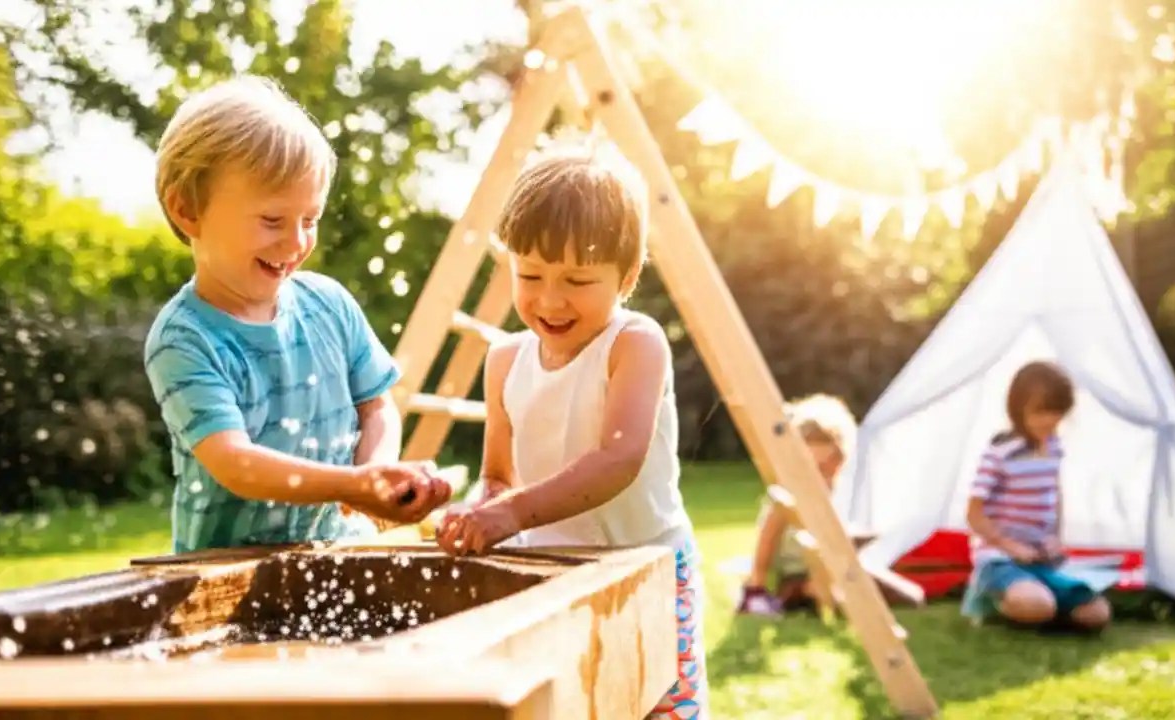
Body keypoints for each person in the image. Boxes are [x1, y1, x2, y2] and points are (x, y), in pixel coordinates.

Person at [435, 149, 709, 718]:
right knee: (571, 706)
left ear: (626, 278)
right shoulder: (506, 359)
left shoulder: (634, 342)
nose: (551, 299)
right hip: (552, 576)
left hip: (649, 567)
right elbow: (497, 475)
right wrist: (480, 511)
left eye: (577, 280)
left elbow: (620, 457)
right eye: (530, 275)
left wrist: (512, 512)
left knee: (661, 707)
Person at [144, 75, 450, 554]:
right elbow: (236, 463)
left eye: (310, 220)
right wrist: (352, 484)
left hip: (337, 553)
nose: (295, 243)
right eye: (272, 221)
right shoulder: (185, 339)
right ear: (188, 210)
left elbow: (377, 405)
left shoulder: (328, 304)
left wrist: (377, 477)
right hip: (223, 577)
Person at [962, 361, 1111, 631]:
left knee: (1097, 614)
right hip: (1001, 559)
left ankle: (1043, 605)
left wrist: (1055, 538)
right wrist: (1010, 546)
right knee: (1037, 606)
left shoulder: (1053, 447)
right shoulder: (1000, 452)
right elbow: (974, 515)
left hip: (1040, 558)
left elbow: (1054, 495)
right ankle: (993, 601)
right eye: (1041, 412)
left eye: (1057, 413)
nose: (1050, 420)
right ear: (1019, 409)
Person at [736, 394, 856, 616]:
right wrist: (756, 585)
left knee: (902, 594)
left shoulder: (840, 492)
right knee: (821, 592)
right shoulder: (789, 494)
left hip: (832, 568)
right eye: (817, 468)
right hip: (795, 574)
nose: (824, 477)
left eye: (830, 467)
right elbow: (768, 537)